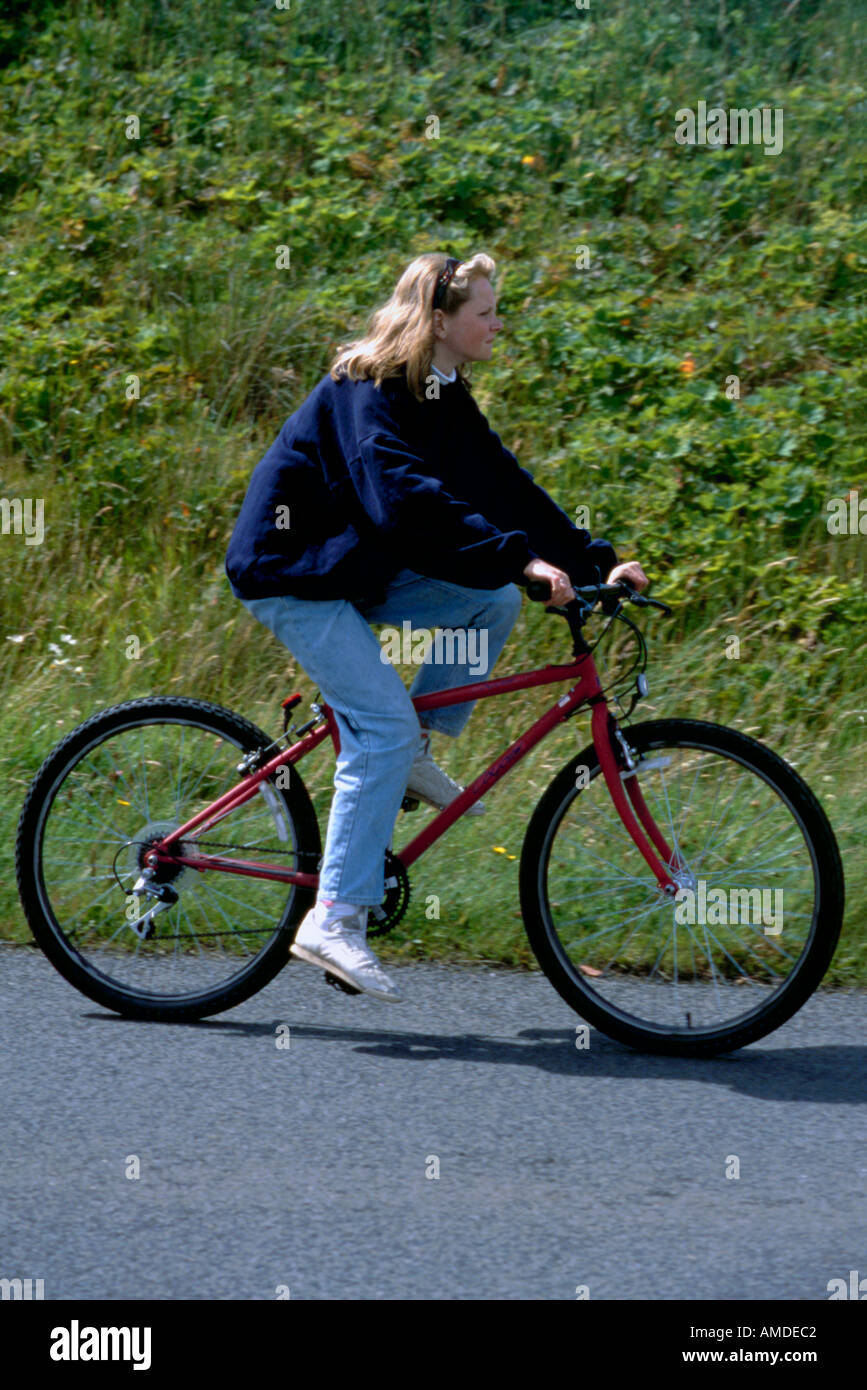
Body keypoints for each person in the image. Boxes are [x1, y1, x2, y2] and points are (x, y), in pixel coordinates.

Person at [225, 251, 648, 1003]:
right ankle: (333, 920)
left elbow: (502, 485)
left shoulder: (442, 392)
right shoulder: (369, 389)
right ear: (441, 320)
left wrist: (590, 562)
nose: (496, 322)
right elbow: (401, 497)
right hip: (292, 573)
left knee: (491, 600)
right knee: (378, 726)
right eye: (484, 311)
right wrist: (516, 557)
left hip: (357, 569)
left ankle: (410, 747)